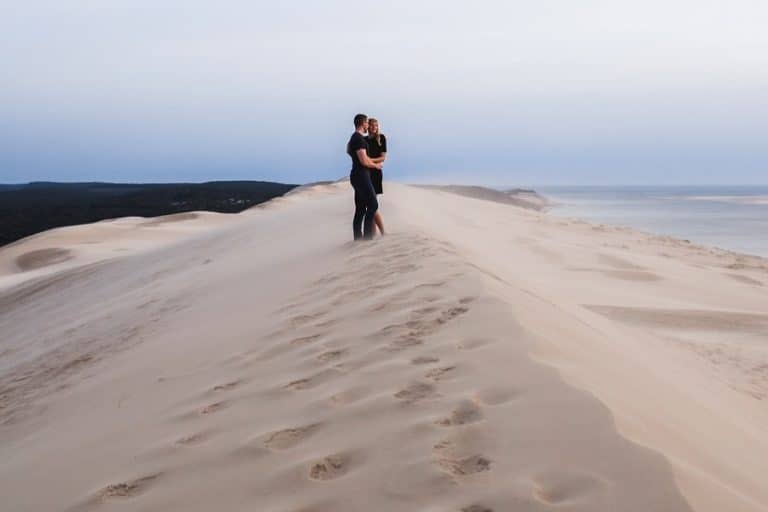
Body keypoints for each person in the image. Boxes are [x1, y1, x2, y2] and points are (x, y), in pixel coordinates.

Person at [347, 114, 382, 240]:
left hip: (357, 175)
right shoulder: (359, 139)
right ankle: (367, 239)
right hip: (361, 175)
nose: (368, 125)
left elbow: (349, 150)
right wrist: (375, 166)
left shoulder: (353, 138)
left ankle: (358, 239)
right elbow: (363, 161)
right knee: (373, 204)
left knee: (361, 209)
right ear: (362, 123)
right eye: (367, 123)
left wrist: (368, 161)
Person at [366, 118, 387, 235]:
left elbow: (383, 158)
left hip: (375, 173)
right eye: (372, 125)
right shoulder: (364, 140)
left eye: (376, 125)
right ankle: (373, 235)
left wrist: (369, 161)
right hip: (365, 173)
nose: (374, 127)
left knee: (372, 205)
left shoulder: (381, 138)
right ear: (367, 127)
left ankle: (383, 233)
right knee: (370, 205)